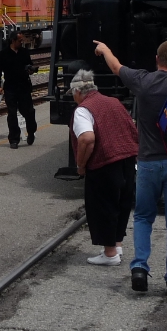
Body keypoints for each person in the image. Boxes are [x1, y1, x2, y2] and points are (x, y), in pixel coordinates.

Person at [92, 39, 167, 297]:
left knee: (143, 217)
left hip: (148, 163)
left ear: (157, 58)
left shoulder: (143, 81)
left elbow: (116, 67)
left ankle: (140, 268)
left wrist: (105, 49)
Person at [69, 69, 138, 266]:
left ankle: (110, 254)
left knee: (104, 207)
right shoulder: (114, 102)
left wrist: (81, 165)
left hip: (103, 164)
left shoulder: (83, 110)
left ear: (78, 92)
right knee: (121, 204)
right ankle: (117, 245)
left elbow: (87, 139)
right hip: (126, 159)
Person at [0, 31, 37, 148]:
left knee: (28, 111)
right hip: (10, 88)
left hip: (24, 87)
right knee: (12, 114)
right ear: (13, 41)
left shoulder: (24, 52)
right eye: (19, 40)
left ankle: (31, 132)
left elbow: (30, 64)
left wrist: (31, 70)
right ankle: (14, 139)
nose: (21, 42)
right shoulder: (3, 54)